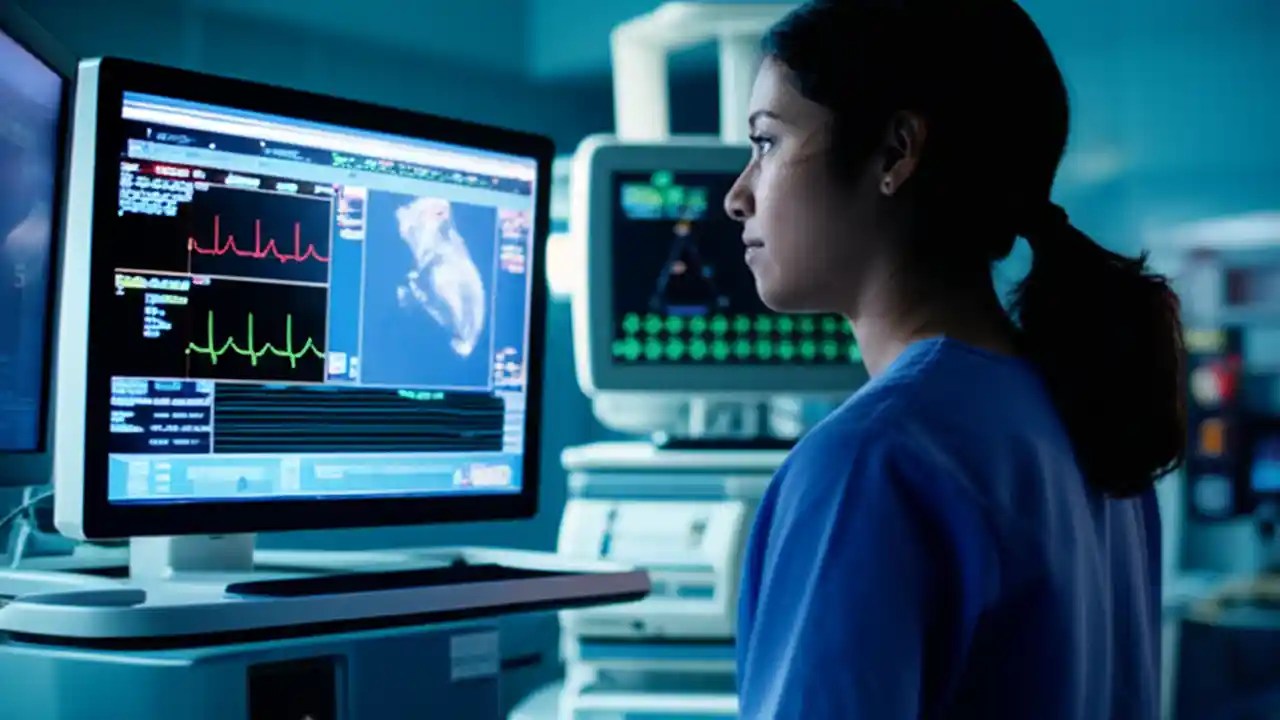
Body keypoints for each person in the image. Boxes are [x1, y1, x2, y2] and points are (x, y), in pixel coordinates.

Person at [723, 1, 1186, 718]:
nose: (738, 195)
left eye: (767, 142)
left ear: (895, 153)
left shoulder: (873, 462)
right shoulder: (1088, 425)